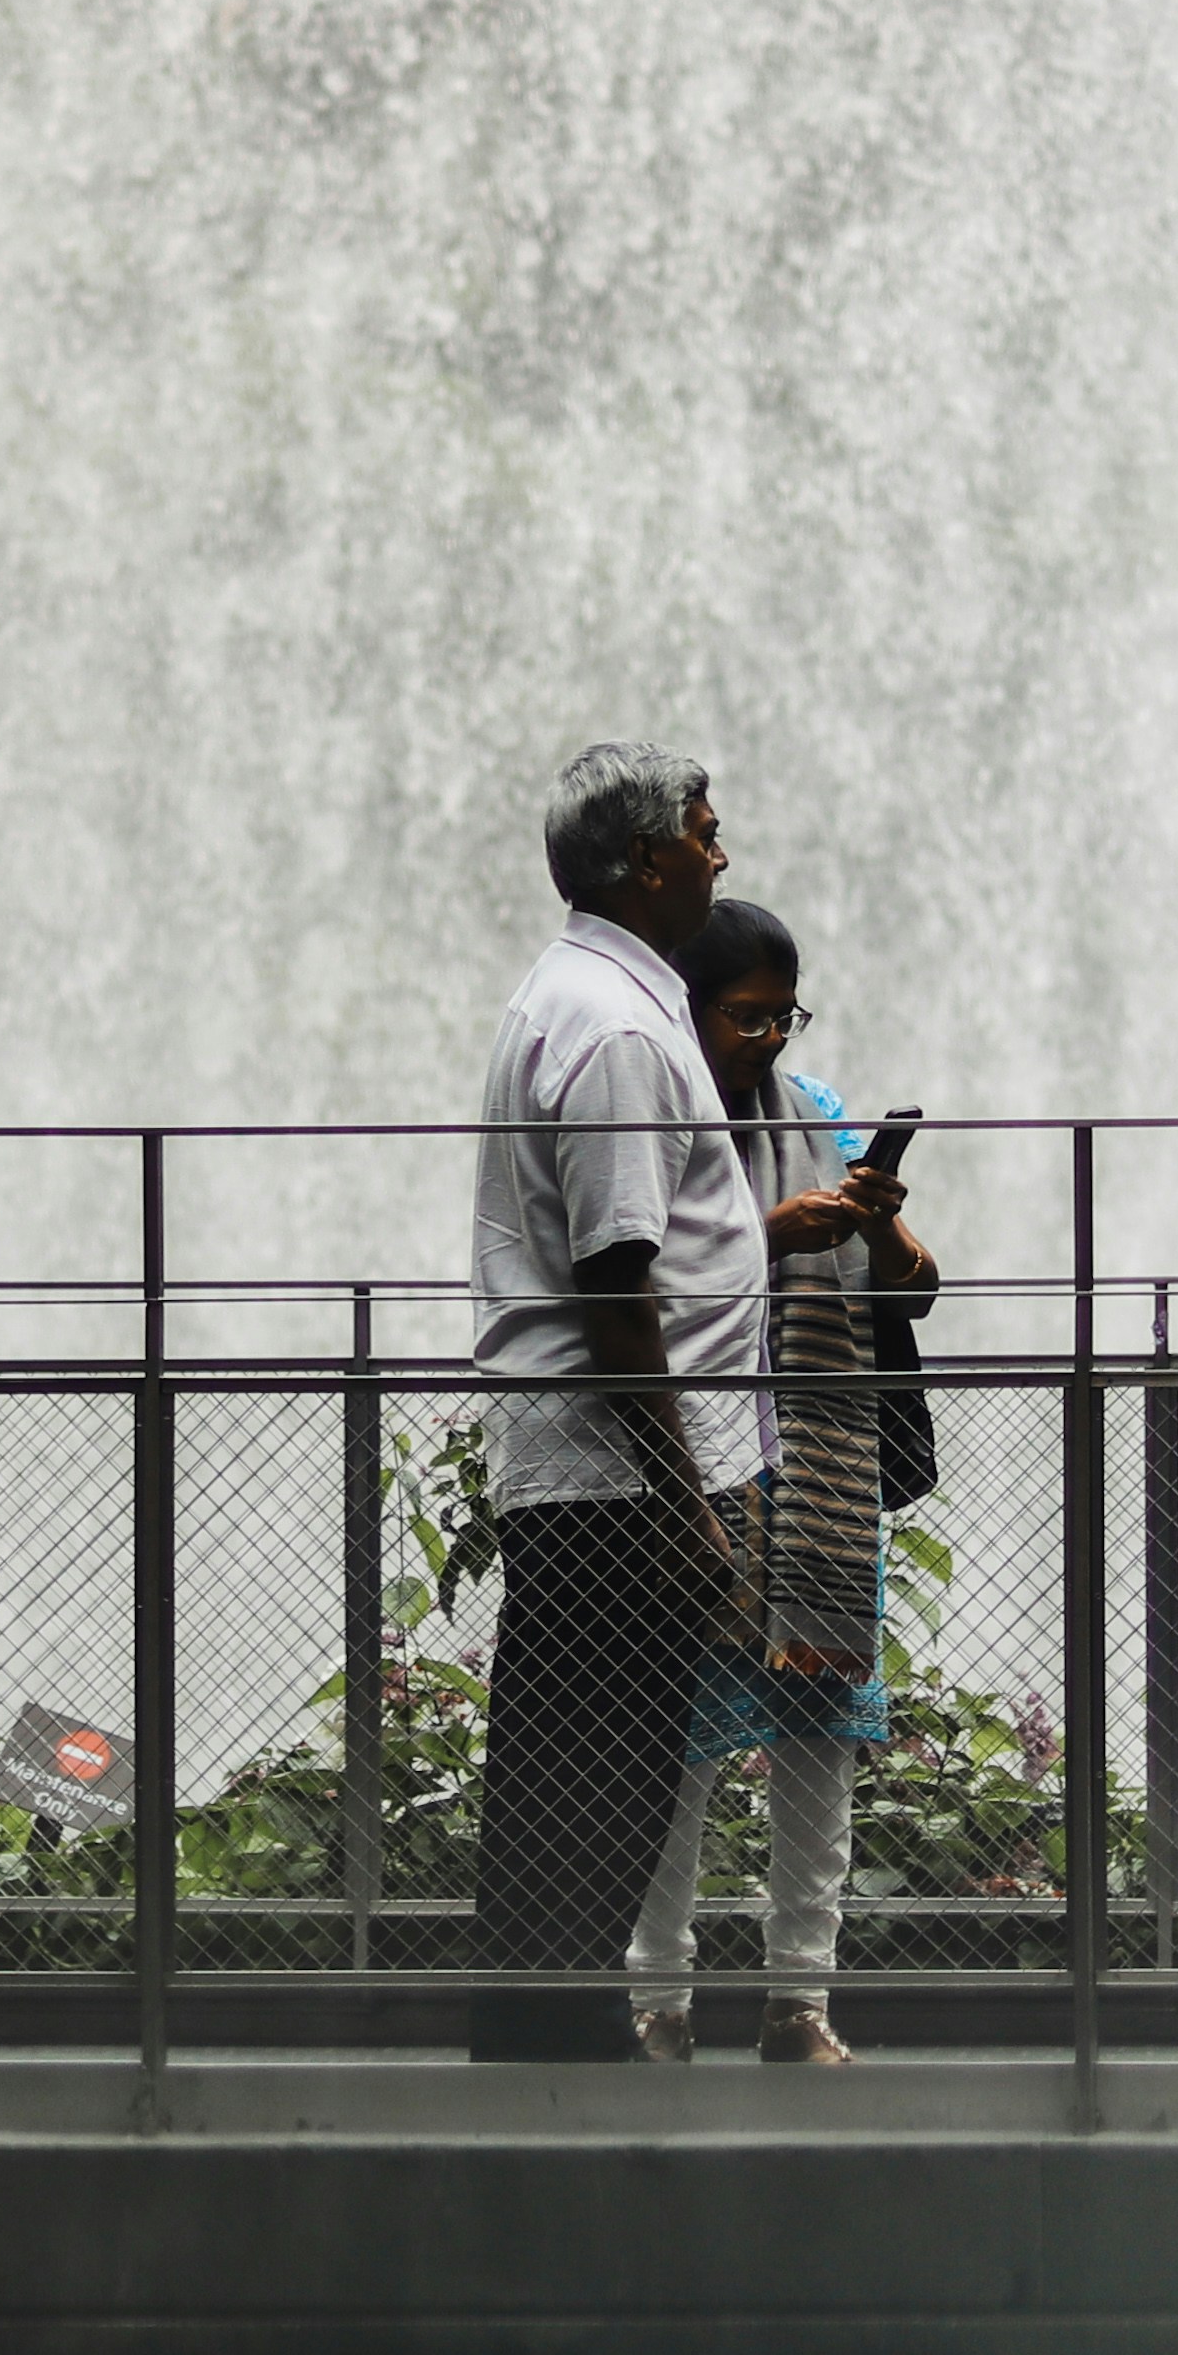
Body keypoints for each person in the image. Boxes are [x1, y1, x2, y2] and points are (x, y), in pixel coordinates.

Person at [465, 742, 770, 2062]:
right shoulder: (618, 1031)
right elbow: (614, 1280)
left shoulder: (582, 997)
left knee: (568, 1788)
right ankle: (552, 2093)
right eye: (705, 831)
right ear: (646, 860)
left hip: (594, 1476)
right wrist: (686, 1504)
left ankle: (540, 2062)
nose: (720, 851)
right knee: (594, 1796)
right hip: (616, 1486)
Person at [623, 899, 925, 2064]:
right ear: (688, 1011)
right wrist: (771, 1232)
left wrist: (879, 1227)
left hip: (821, 1474)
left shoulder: (820, 1118)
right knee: (684, 1749)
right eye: (747, 1016)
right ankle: (659, 1998)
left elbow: (915, 1289)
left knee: (817, 1743)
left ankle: (802, 1998)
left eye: (784, 1015)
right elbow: (636, 1279)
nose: (771, 1040)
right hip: (698, 1468)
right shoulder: (657, 1125)